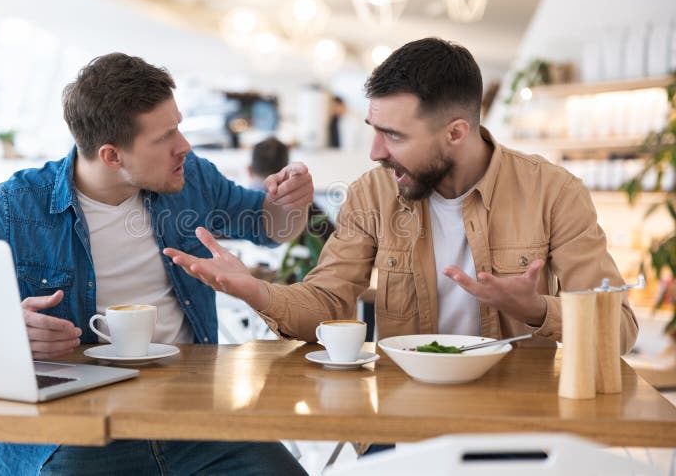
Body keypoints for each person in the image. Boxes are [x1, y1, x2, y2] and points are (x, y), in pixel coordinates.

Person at [0, 53, 311, 476]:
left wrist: (291, 204)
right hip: (78, 430)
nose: (184, 146)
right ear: (111, 156)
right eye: (166, 136)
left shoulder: (191, 177)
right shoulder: (10, 209)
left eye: (179, 126)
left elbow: (269, 226)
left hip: (195, 413)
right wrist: (4, 329)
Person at [164, 37, 639, 356]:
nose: (374, 152)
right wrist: (257, 290)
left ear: (456, 133)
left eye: (393, 135)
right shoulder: (372, 194)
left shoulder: (553, 192)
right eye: (374, 129)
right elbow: (327, 303)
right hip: (401, 416)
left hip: (518, 421)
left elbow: (618, 328)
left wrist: (535, 309)